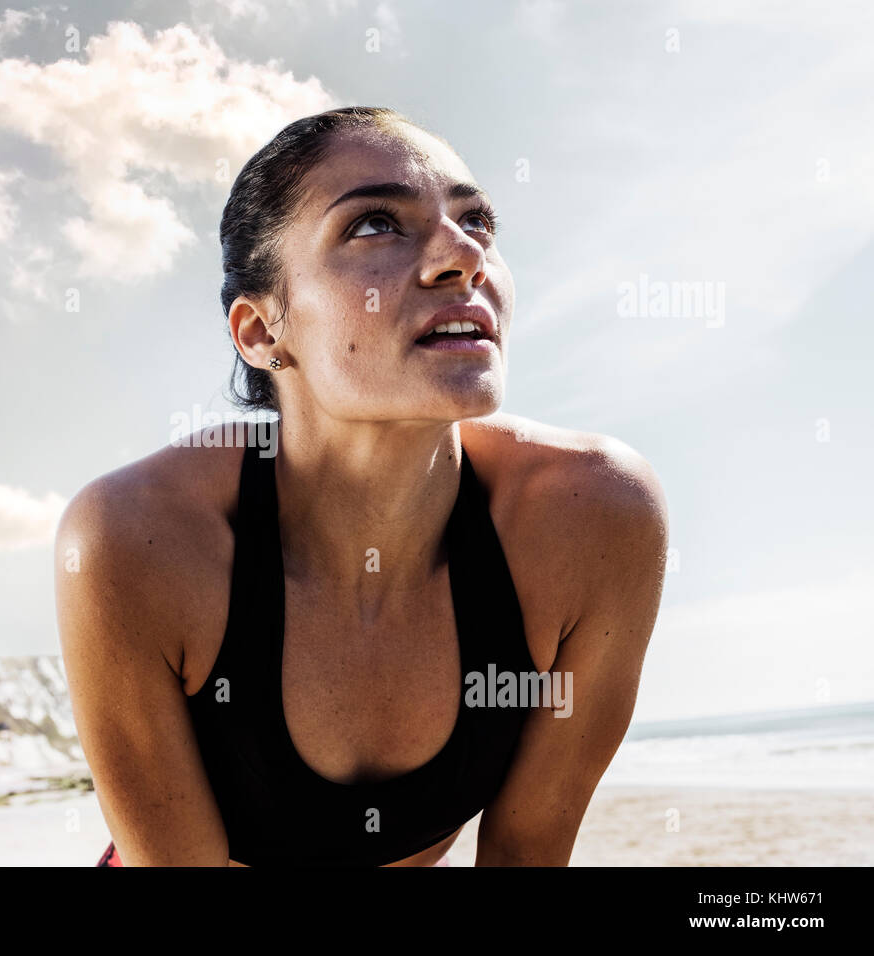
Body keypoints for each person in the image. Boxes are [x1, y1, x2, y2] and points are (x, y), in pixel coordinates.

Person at [56, 107, 668, 867]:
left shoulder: (594, 513)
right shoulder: (138, 537)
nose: (463, 255)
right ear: (261, 331)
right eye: (376, 224)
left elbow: (527, 849)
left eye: (477, 221)